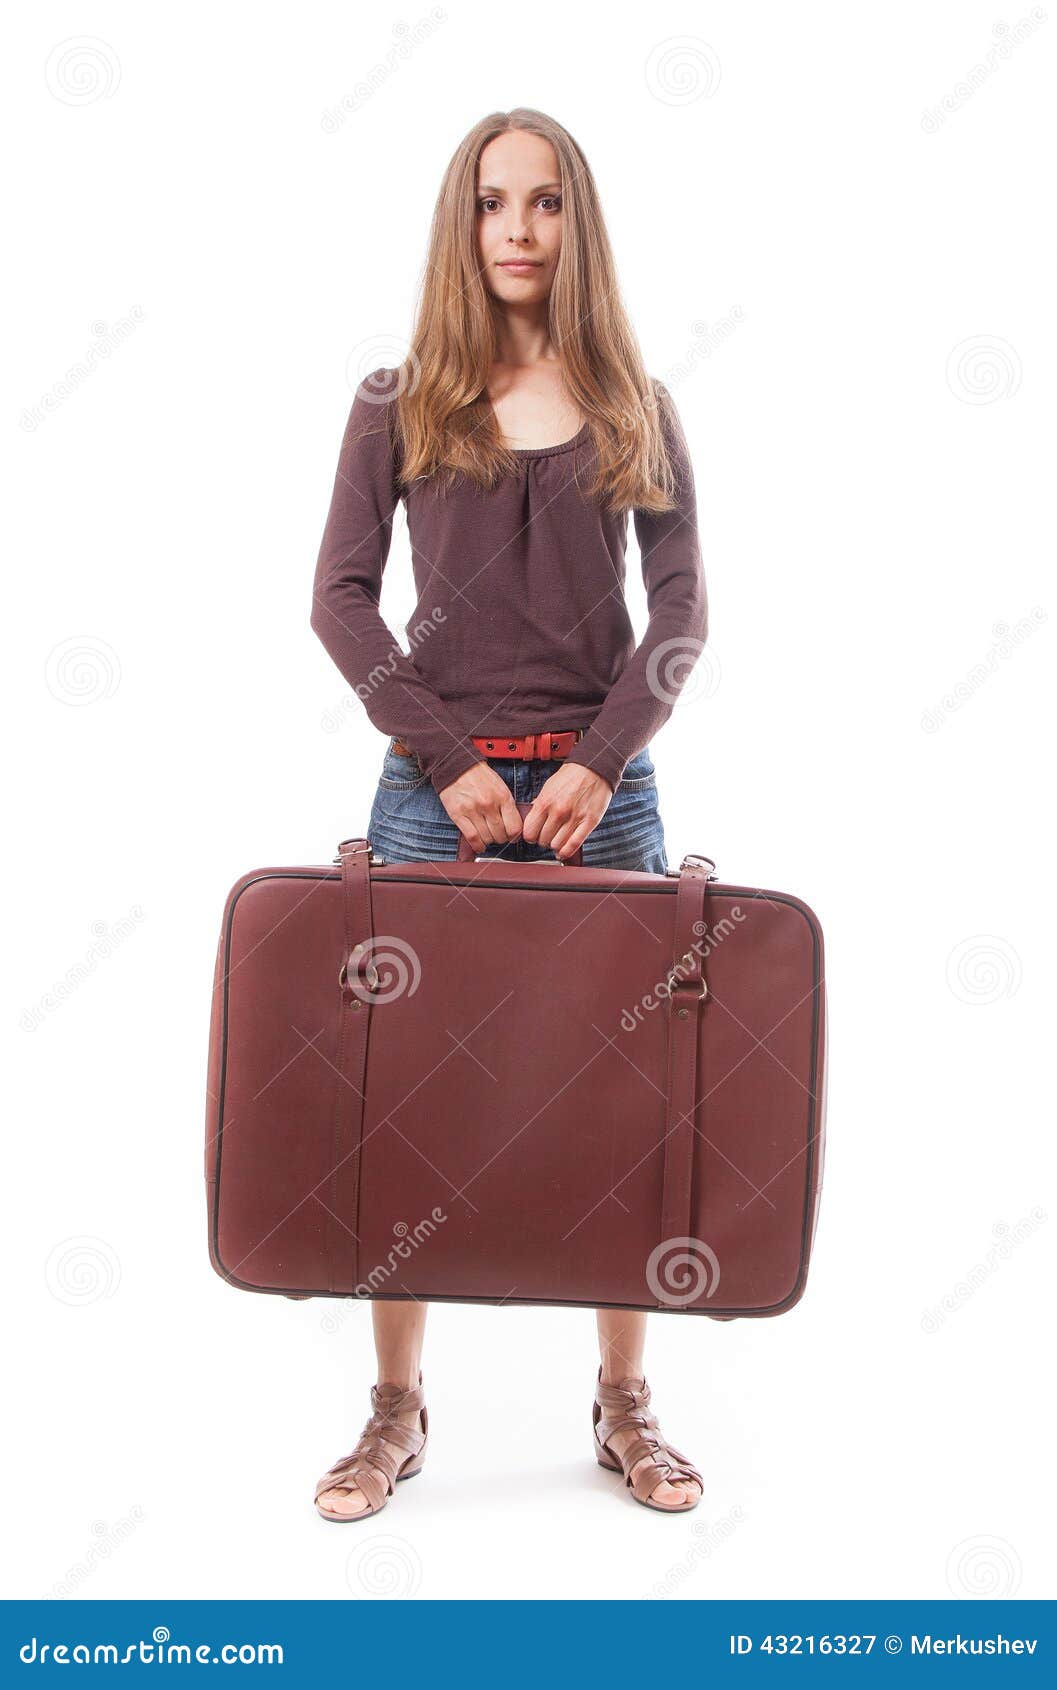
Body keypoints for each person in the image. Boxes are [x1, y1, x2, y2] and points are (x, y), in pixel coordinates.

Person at [309, 108, 709, 1519]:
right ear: (463, 223)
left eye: (544, 204)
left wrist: (602, 761)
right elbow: (340, 603)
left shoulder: (633, 402)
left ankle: (623, 1402)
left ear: (575, 223)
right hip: (435, 797)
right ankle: (394, 1410)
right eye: (494, 203)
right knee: (405, 1107)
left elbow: (681, 614)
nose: (520, 229)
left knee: (628, 1095)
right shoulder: (396, 398)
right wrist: (441, 753)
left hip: (608, 792)